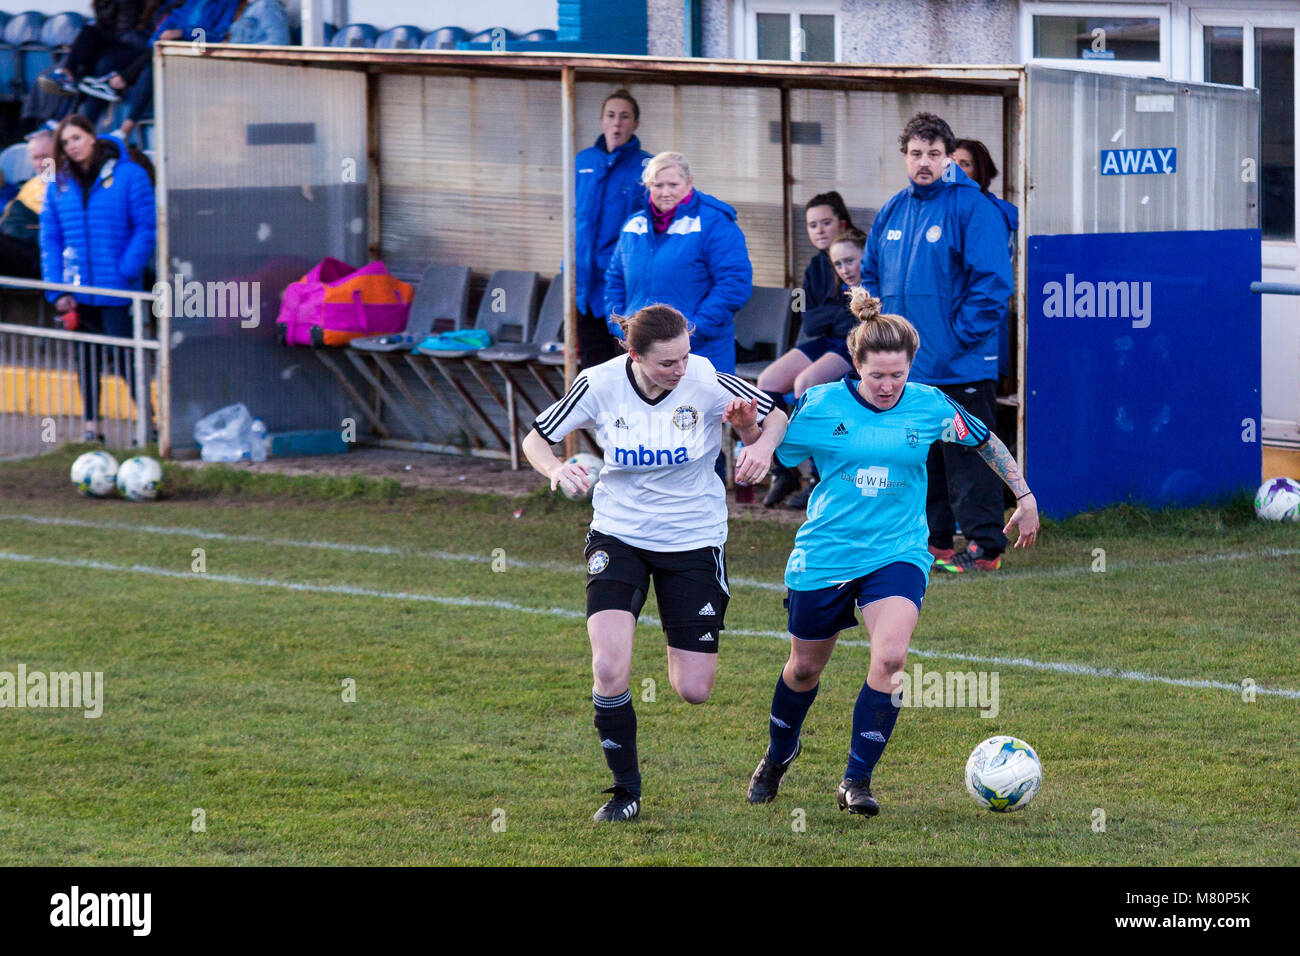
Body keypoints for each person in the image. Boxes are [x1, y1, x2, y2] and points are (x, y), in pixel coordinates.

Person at [744, 289, 1038, 816]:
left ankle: (856, 781)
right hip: (827, 554)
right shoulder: (822, 403)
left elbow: (986, 440)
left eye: (897, 375)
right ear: (855, 365)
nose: (887, 386)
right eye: (876, 375)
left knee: (891, 658)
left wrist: (1025, 495)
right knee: (804, 669)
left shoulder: (929, 404)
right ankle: (778, 753)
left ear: (910, 367)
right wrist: (757, 437)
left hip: (897, 552)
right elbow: (778, 437)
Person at [522, 304, 788, 822]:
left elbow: (774, 413)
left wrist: (758, 444)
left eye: (685, 356)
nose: (681, 369)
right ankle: (625, 793)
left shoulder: (706, 377)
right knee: (608, 666)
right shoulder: (598, 383)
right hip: (619, 534)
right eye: (668, 362)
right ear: (634, 354)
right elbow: (537, 436)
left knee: (693, 689)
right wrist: (555, 470)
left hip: (693, 539)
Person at [860, 112, 1012, 573]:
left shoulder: (972, 208)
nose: (924, 162)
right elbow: (870, 274)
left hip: (961, 363)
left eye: (933, 154)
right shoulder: (892, 209)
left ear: (948, 157)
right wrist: (876, 320)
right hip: (908, 367)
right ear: (903, 156)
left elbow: (993, 284)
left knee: (968, 456)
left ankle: (986, 548)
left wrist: (955, 340)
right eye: (915, 154)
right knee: (921, 457)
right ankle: (936, 544)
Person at [40, 115, 156, 443]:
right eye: (65, 143)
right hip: (78, 291)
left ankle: (148, 424)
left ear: (92, 136)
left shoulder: (130, 175)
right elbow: (50, 238)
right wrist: (57, 289)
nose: (71, 147)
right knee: (86, 361)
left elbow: (146, 227)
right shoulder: (58, 184)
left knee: (126, 360)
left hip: (118, 289)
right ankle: (93, 429)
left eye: (76, 138)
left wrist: (125, 271)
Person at [604, 151, 753, 375]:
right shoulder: (634, 224)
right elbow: (614, 280)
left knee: (695, 412)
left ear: (689, 182)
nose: (665, 193)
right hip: (641, 351)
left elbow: (734, 284)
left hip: (700, 353)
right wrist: (622, 327)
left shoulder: (714, 222)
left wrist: (691, 332)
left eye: (673, 184)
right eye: (657, 185)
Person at [760, 193, 859, 508]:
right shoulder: (813, 268)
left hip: (852, 343)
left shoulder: (859, 257)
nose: (818, 230)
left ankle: (818, 477)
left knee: (807, 384)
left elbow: (852, 320)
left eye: (826, 223)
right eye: (812, 225)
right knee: (768, 382)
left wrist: (827, 316)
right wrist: (833, 315)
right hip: (820, 341)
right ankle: (783, 471)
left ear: (842, 223)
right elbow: (805, 316)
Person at [573, 89, 651, 369]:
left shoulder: (646, 166)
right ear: (602, 121)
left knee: (627, 359)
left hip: (622, 281)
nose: (617, 123)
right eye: (611, 115)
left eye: (625, 117)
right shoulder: (583, 162)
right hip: (584, 282)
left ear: (635, 124)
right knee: (591, 366)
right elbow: (574, 219)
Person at [952, 138, 1018, 384]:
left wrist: (960, 335)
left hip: (977, 324)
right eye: (951, 162)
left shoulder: (993, 212)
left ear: (980, 170)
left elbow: (993, 281)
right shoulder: (935, 209)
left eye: (965, 163)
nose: (956, 169)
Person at [0, 130, 55, 279]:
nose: (40, 163)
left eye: (45, 156)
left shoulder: (67, 184)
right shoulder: (30, 185)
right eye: (35, 158)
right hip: (18, 245)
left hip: (40, 255)